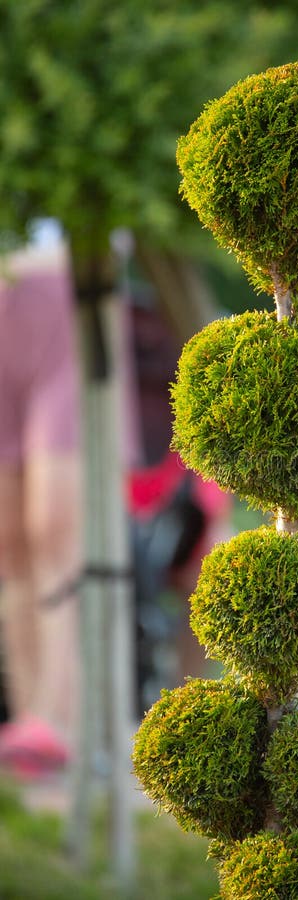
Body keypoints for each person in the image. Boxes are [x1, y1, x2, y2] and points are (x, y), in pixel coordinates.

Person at [0, 239, 81, 779]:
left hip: (66, 291)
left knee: (53, 528)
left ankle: (58, 717)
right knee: (9, 545)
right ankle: (29, 719)